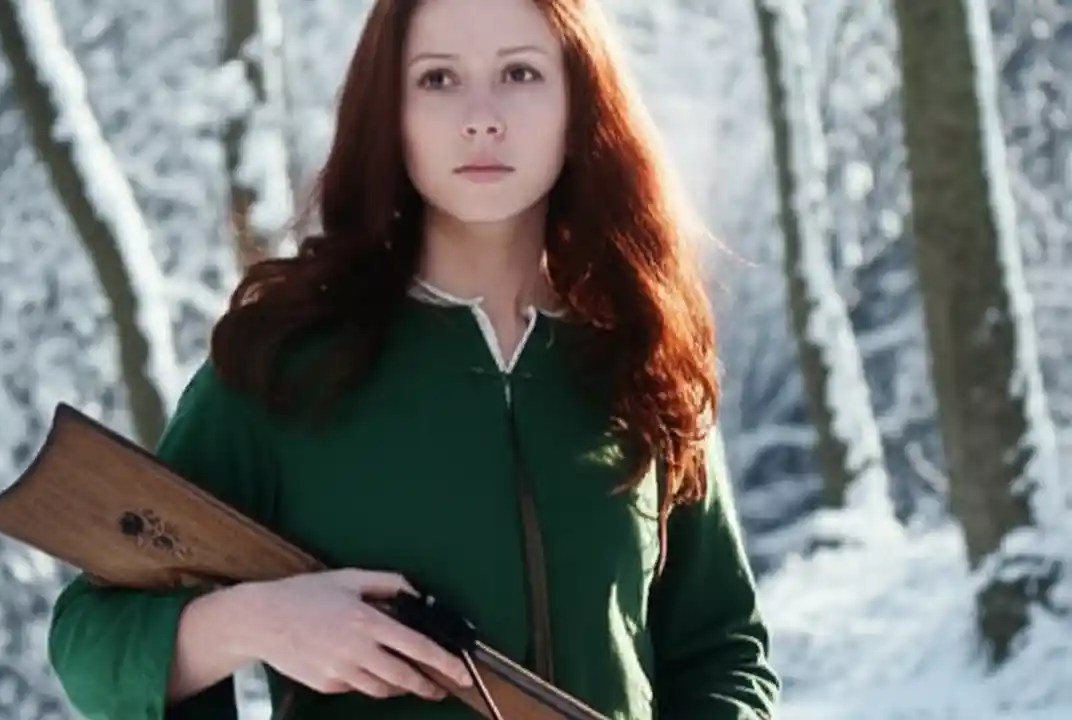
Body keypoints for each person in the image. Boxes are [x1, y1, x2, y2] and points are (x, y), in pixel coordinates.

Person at [46, 0, 780, 718]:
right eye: (438, 79)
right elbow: (93, 636)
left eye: (521, 74)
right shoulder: (287, 366)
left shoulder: (642, 355)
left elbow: (722, 651)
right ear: (388, 113)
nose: (481, 115)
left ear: (580, 103)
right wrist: (260, 620)